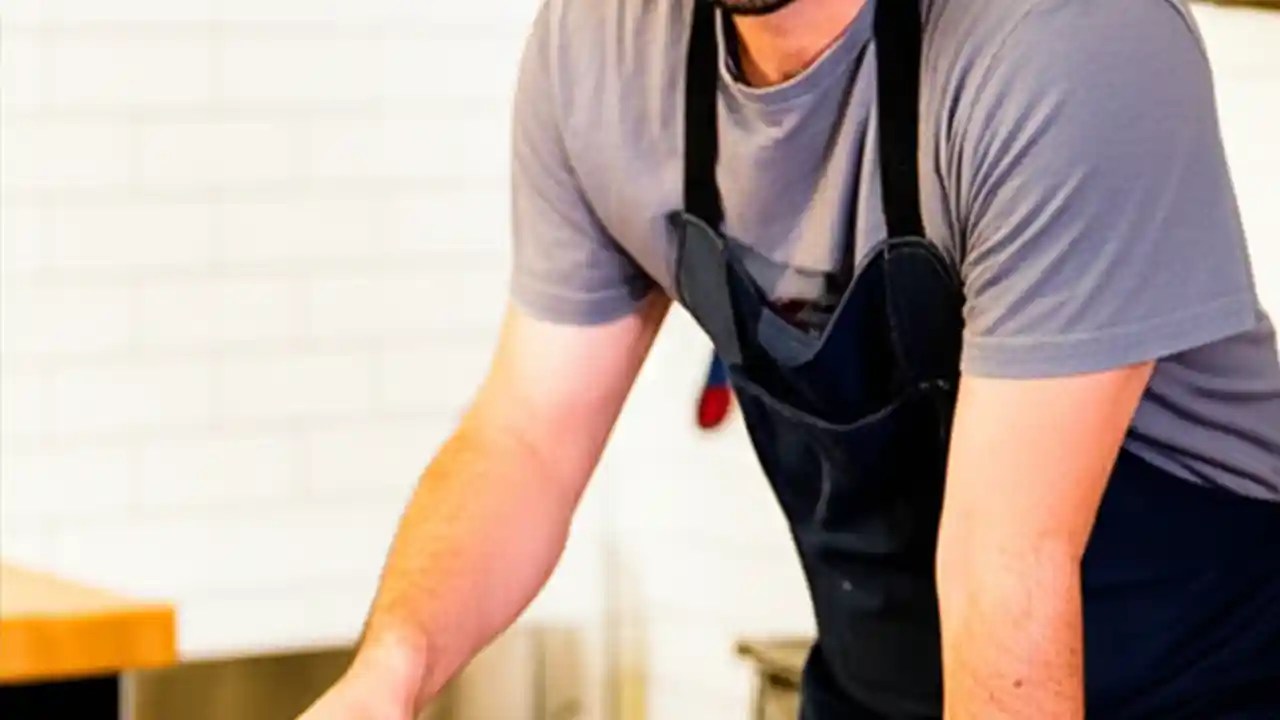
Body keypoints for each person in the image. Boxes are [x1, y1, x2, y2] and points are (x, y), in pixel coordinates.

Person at [301, 0, 1280, 717]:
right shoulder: (595, 49)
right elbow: (526, 439)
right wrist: (387, 675)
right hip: (887, 683)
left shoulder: (1067, 39)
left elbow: (1005, 568)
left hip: (1204, 676)